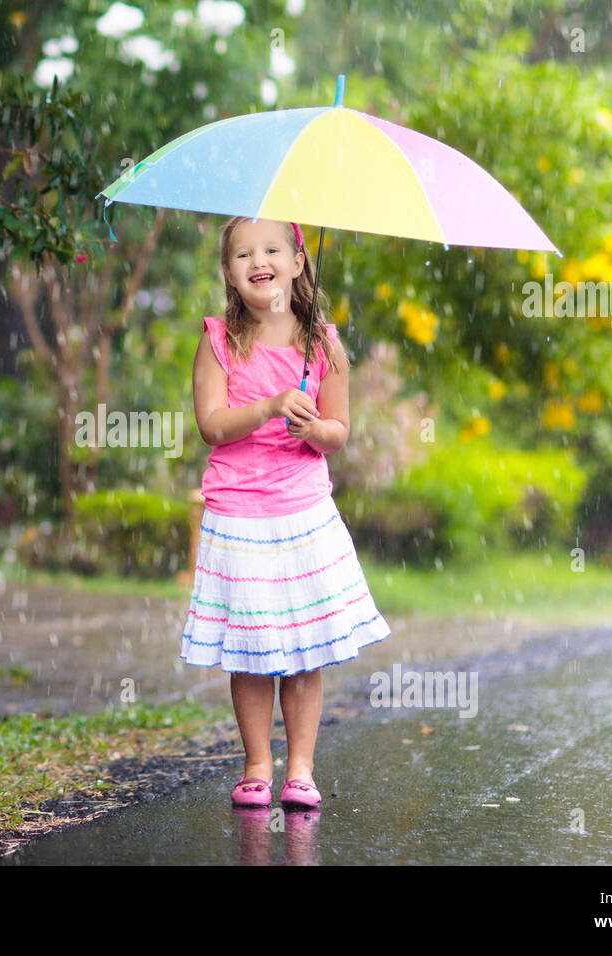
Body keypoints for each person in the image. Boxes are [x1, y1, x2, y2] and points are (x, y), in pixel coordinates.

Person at [181, 216, 392, 810]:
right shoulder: (220, 338)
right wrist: (270, 406)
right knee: (250, 651)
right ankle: (256, 763)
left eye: (272, 249)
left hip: (302, 514)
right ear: (229, 272)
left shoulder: (323, 343)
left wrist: (313, 427)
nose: (258, 261)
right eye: (243, 254)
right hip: (240, 513)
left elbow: (338, 431)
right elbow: (211, 425)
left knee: (304, 650)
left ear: (299, 262)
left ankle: (300, 767)